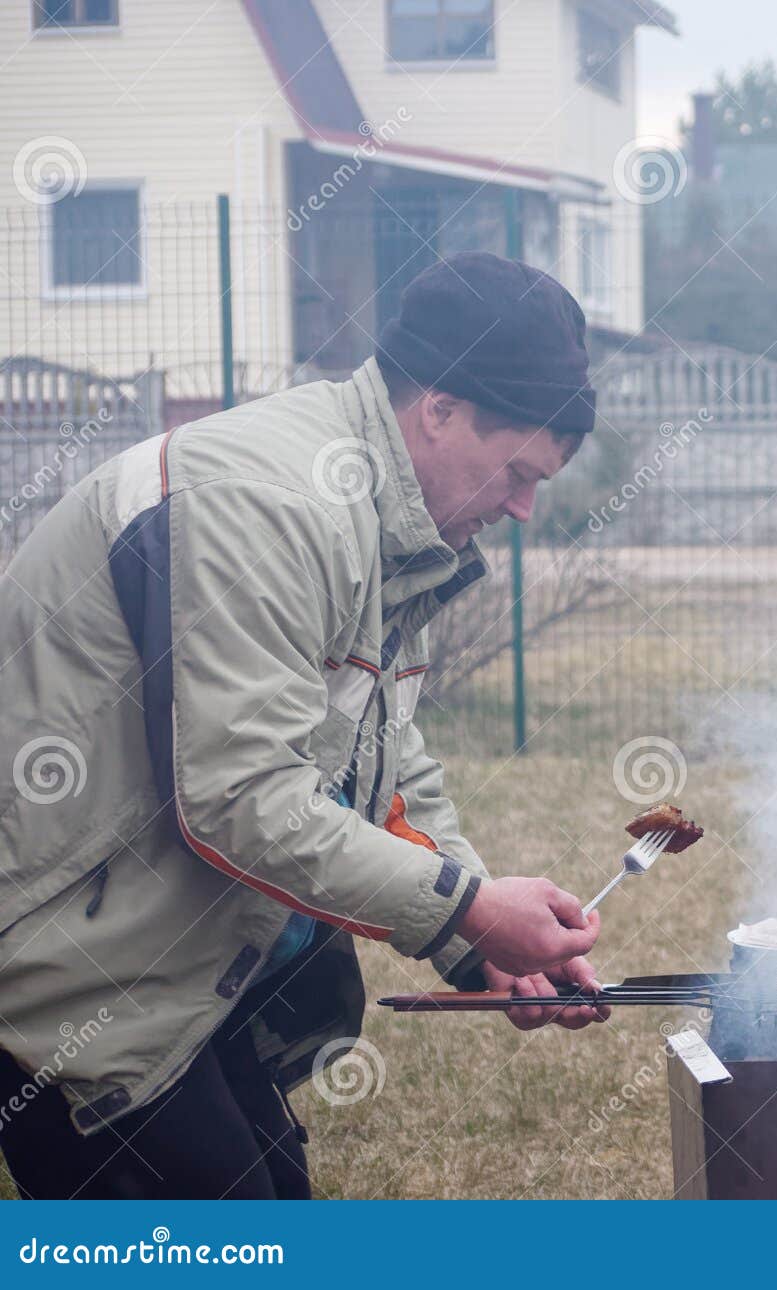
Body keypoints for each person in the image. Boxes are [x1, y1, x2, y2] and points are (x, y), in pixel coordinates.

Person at [0, 252, 611, 1199]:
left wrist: (471, 935)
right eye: (518, 471)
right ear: (440, 411)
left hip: (163, 952)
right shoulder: (277, 505)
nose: (525, 510)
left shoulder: (374, 516)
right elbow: (240, 800)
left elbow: (380, 759)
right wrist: (465, 905)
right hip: (63, 972)